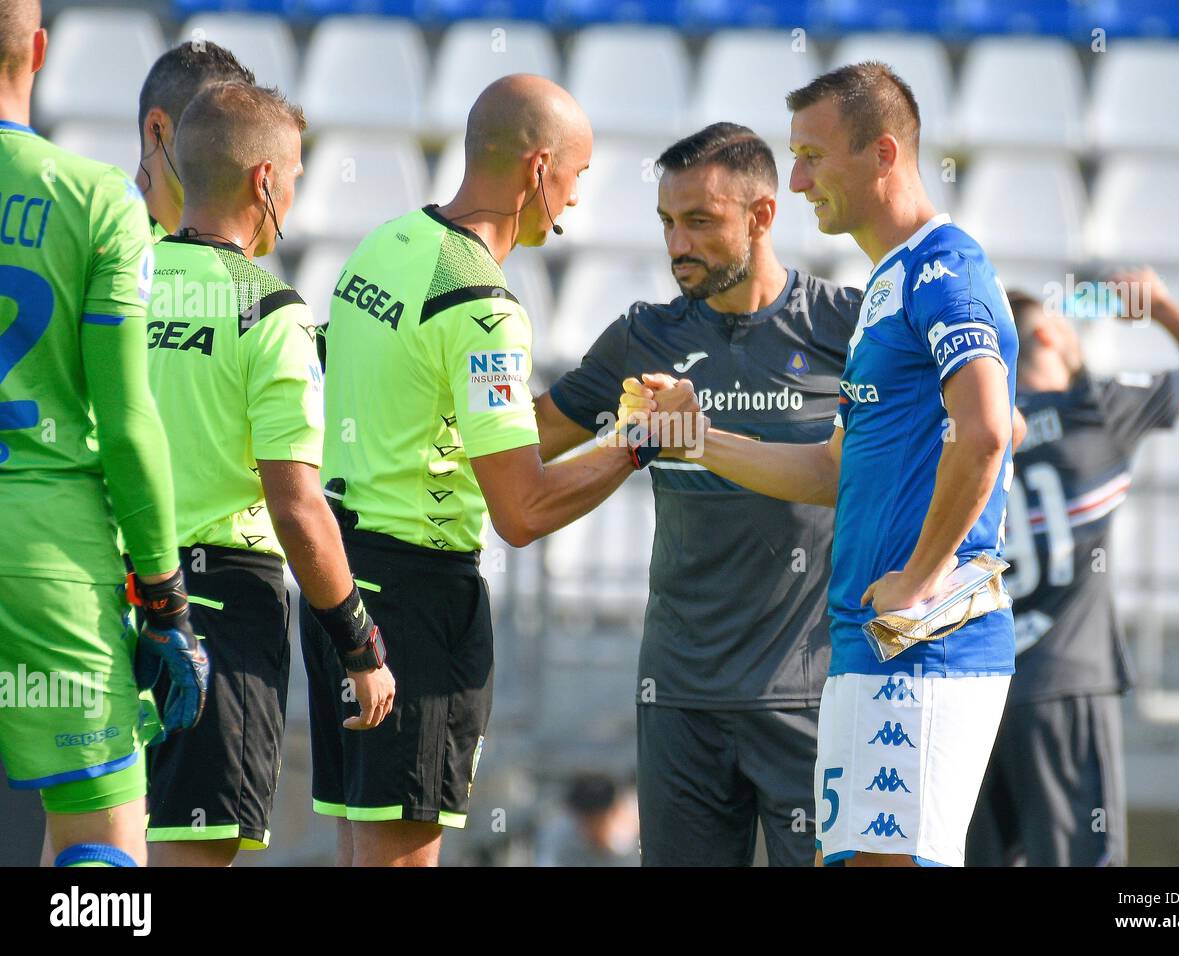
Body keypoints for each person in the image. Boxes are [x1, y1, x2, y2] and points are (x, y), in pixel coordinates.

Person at [624, 61, 1019, 867]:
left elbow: (985, 433)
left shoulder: (946, 269)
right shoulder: (886, 286)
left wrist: (922, 577)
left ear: (881, 154)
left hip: (924, 648)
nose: (797, 180)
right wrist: (691, 438)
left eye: (812, 155)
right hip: (866, 650)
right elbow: (834, 470)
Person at [302, 74, 691, 867]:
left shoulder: (386, 244)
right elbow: (521, 511)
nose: (576, 200)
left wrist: (590, 413)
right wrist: (641, 442)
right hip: (415, 602)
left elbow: (449, 435)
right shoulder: (483, 306)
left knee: (360, 850)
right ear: (538, 168)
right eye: (576, 176)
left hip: (340, 587)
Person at [535, 123, 861, 866]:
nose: (678, 244)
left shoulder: (846, 327)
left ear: (763, 216)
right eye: (668, 223)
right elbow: (522, 444)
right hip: (679, 695)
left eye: (701, 222)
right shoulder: (643, 338)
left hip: (810, 696)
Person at [142, 81, 395, 867]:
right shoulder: (268, 309)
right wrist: (360, 641)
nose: (294, 190)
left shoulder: (122, 281)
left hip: (107, 591)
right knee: (191, 855)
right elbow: (297, 508)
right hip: (217, 608)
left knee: (96, 849)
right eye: (294, 174)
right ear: (264, 183)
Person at [0, 0, 207, 868]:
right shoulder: (95, 201)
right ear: (39, 50)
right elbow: (127, 425)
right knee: (100, 848)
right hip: (49, 553)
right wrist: (165, 603)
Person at [966, 270, 1179, 867]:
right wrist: (1161, 305)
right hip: (1065, 686)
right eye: (1065, 327)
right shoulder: (1094, 408)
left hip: (972, 694)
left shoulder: (963, 431)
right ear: (1044, 339)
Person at [134, 40, 256, 241]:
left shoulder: (230, 254)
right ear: (157, 128)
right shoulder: (103, 246)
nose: (231, 151)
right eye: (209, 125)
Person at [535, 773, 640, 867]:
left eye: (597, 817)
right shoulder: (558, 834)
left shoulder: (633, 828)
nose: (591, 824)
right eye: (586, 817)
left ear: (613, 811)